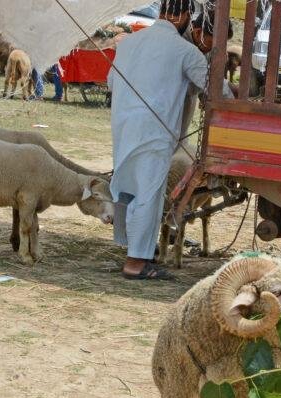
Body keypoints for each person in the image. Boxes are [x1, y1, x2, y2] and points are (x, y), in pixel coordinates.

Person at [108, 0, 211, 280]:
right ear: (186, 17)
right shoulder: (186, 52)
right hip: (155, 132)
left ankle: (131, 246)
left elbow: (110, 83)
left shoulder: (128, 43)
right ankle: (135, 263)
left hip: (124, 126)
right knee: (148, 195)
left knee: (125, 188)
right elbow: (213, 89)